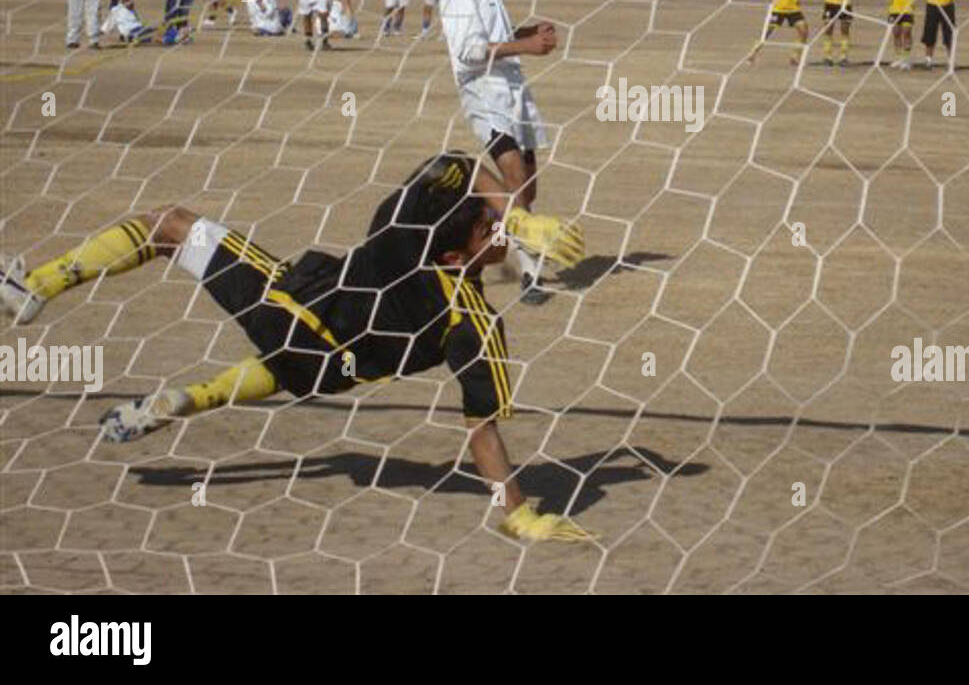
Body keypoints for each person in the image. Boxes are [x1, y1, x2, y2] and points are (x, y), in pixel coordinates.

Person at [0, 155, 592, 543]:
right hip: (327, 375)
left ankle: (36, 288)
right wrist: (515, 511)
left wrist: (513, 209)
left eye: (494, 227)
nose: (501, 229)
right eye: (493, 225)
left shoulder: (403, 242)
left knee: (170, 224)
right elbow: (480, 428)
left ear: (452, 255)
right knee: (293, 368)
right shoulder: (476, 324)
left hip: (289, 315)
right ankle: (186, 399)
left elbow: (457, 163)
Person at [439, 0, 558, 305]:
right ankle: (531, 275)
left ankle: (471, 243)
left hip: (512, 90)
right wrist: (524, 47)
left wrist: (527, 34)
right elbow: (469, 51)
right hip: (484, 94)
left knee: (525, 186)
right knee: (512, 174)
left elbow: (496, 38)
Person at [919, 0, 960, 71]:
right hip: (932, 4)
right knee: (930, 33)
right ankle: (928, 60)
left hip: (947, 5)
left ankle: (951, 61)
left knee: (949, 34)